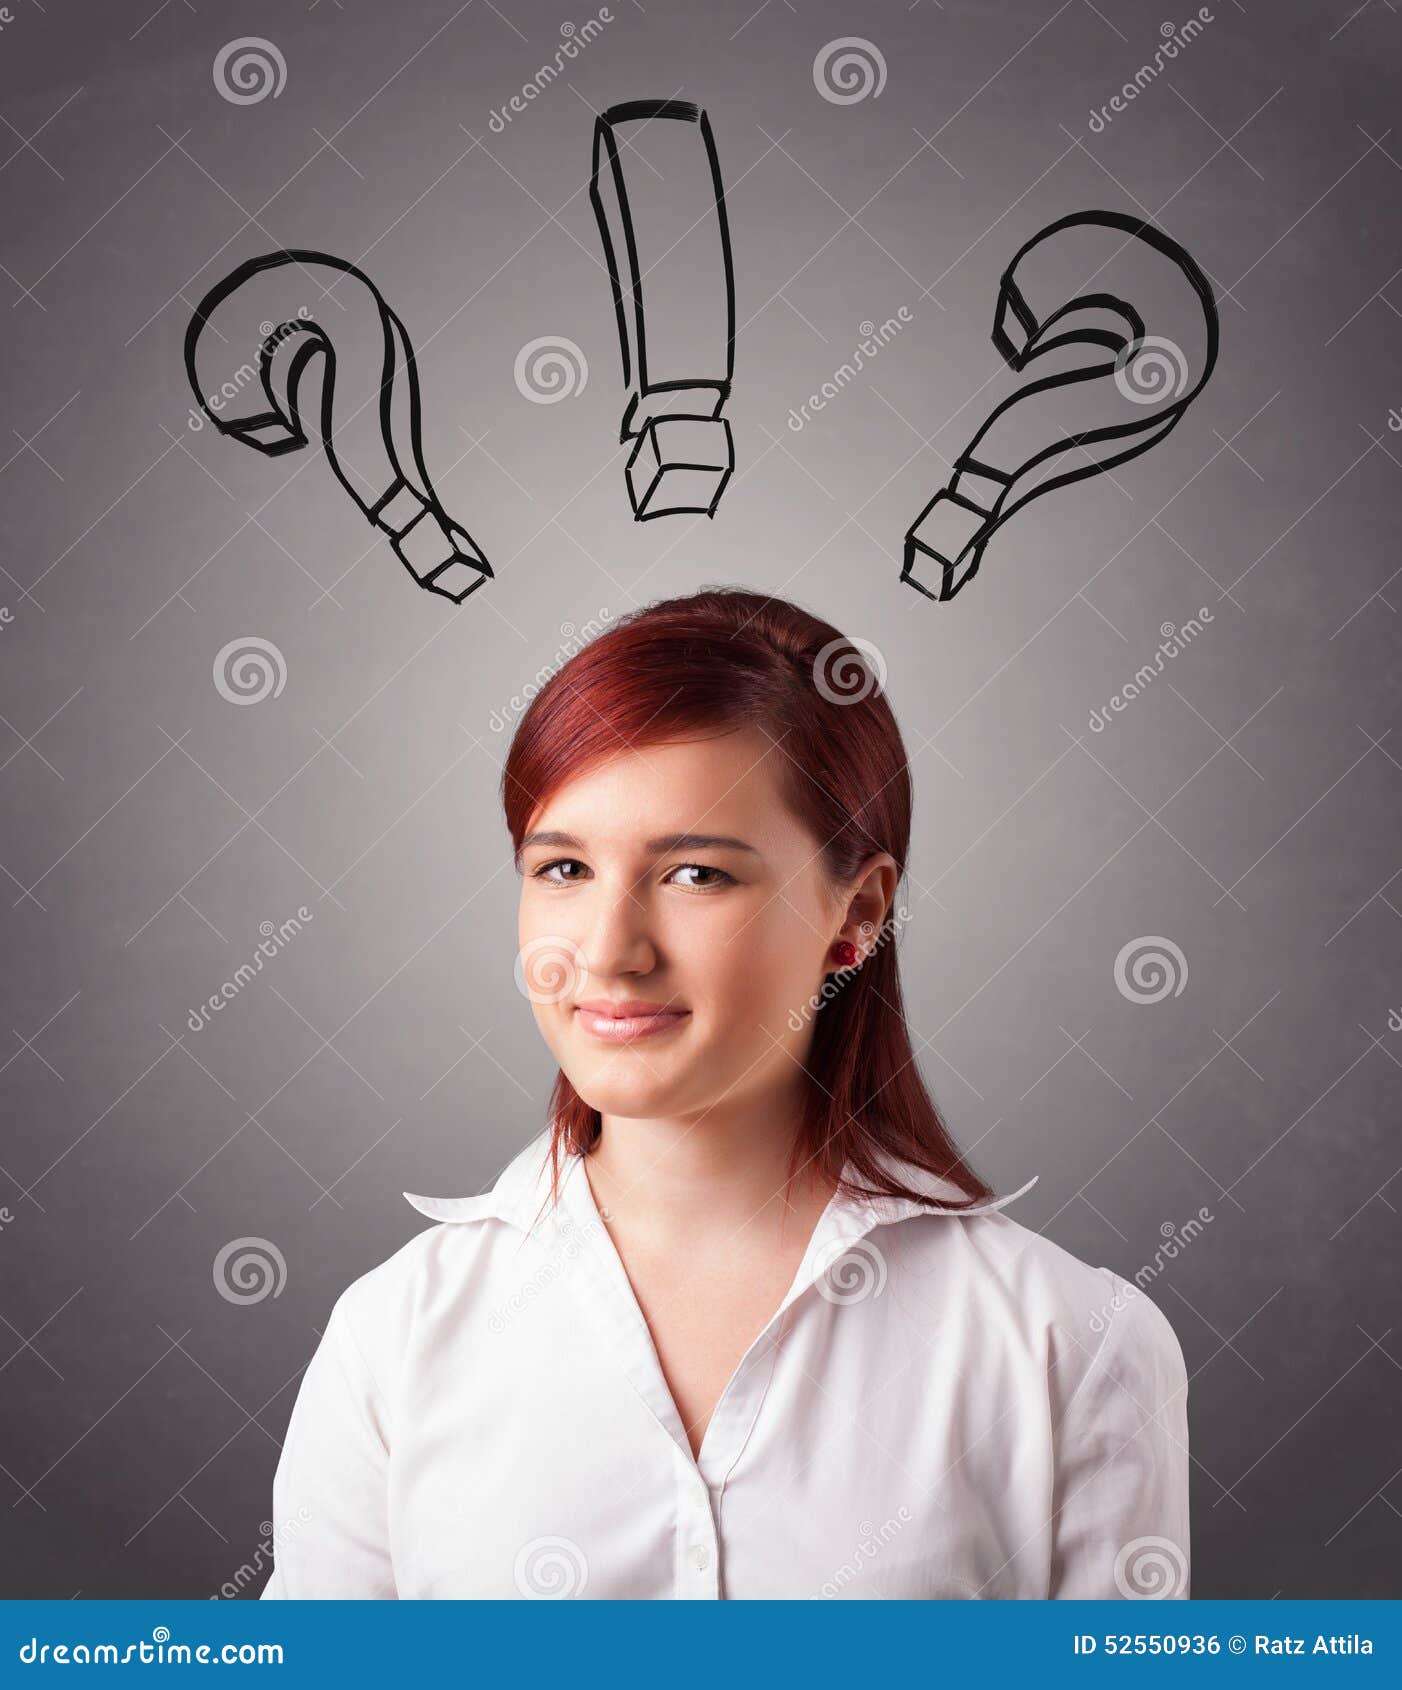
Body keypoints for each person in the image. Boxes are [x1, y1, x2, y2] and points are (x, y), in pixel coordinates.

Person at [260, 586, 1189, 1600]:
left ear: (857, 911)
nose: (610, 953)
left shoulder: (1068, 1346)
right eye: (563, 866)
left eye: (697, 875)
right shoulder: (394, 1337)